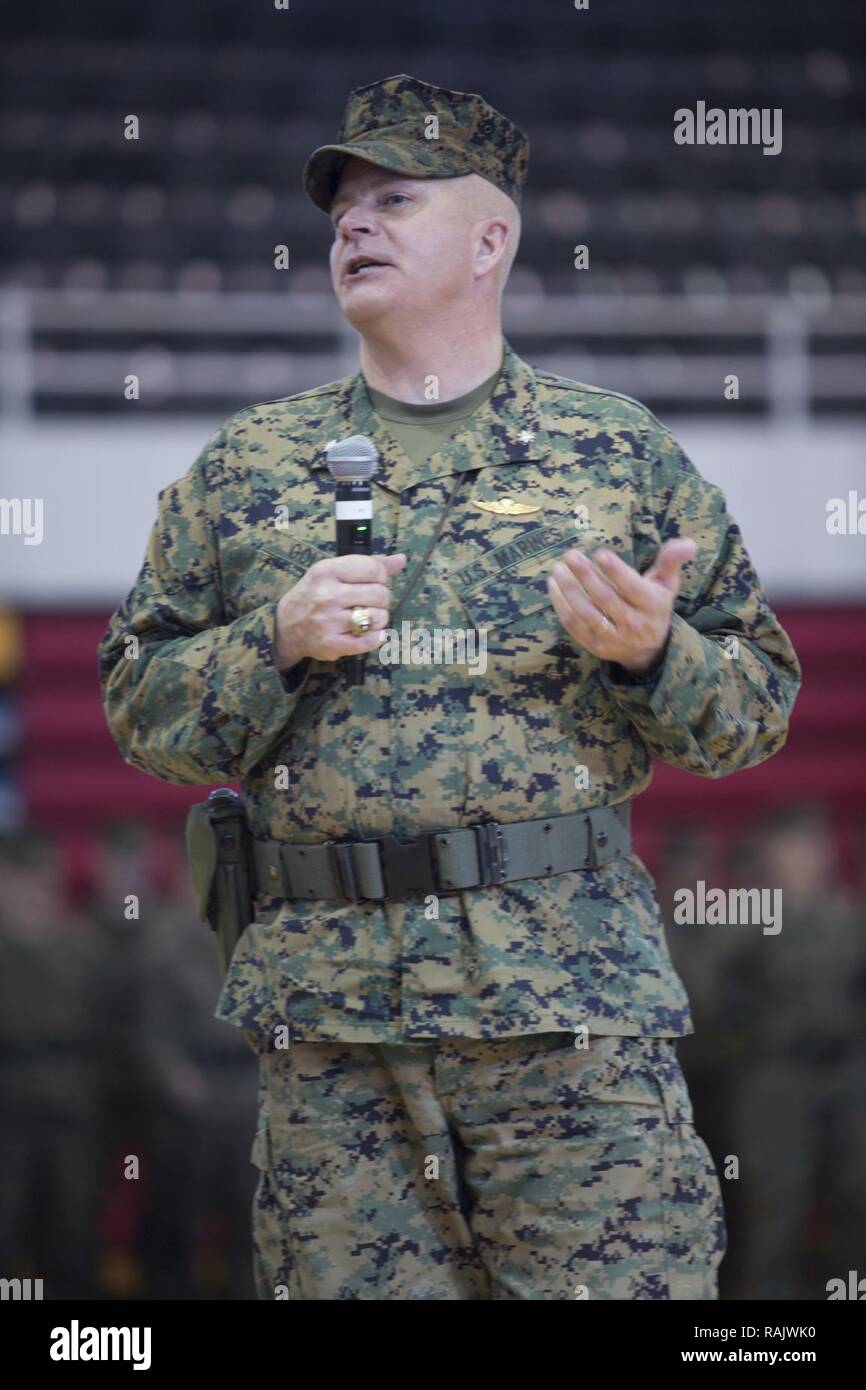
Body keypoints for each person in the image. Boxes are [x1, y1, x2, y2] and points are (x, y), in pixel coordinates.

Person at [98, 74, 802, 1300]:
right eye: (339, 210)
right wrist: (267, 638)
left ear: (490, 241)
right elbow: (135, 705)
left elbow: (753, 707)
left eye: (393, 199)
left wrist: (654, 652)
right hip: (331, 1043)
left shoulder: (618, 455)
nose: (351, 226)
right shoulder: (246, 467)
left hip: (568, 1024)